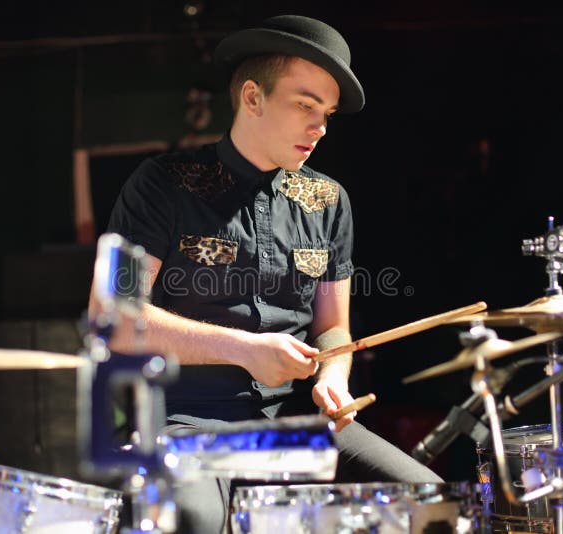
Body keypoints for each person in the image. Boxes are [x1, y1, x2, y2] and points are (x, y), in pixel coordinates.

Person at [91, 14, 442, 533]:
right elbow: (113, 319)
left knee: (421, 501)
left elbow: (334, 328)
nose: (320, 127)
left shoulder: (329, 200)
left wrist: (333, 378)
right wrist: (244, 350)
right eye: (305, 105)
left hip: (296, 421)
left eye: (327, 113)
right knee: (192, 518)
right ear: (252, 98)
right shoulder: (161, 185)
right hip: (186, 421)